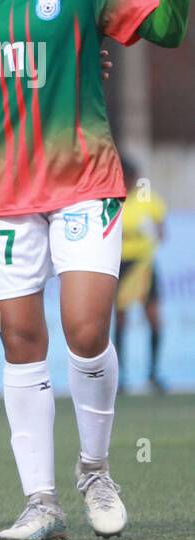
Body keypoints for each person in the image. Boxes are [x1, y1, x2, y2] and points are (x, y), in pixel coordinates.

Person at [0, 0, 188, 540]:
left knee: (87, 333)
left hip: (83, 178)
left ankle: (94, 470)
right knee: (22, 344)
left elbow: (168, 31)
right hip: (0, 192)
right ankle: (41, 501)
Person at [114, 157, 168, 393]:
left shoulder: (149, 201)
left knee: (153, 316)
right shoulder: (114, 201)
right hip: (120, 265)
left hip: (144, 265)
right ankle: (120, 377)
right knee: (121, 319)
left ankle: (153, 374)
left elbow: (162, 232)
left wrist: (152, 232)